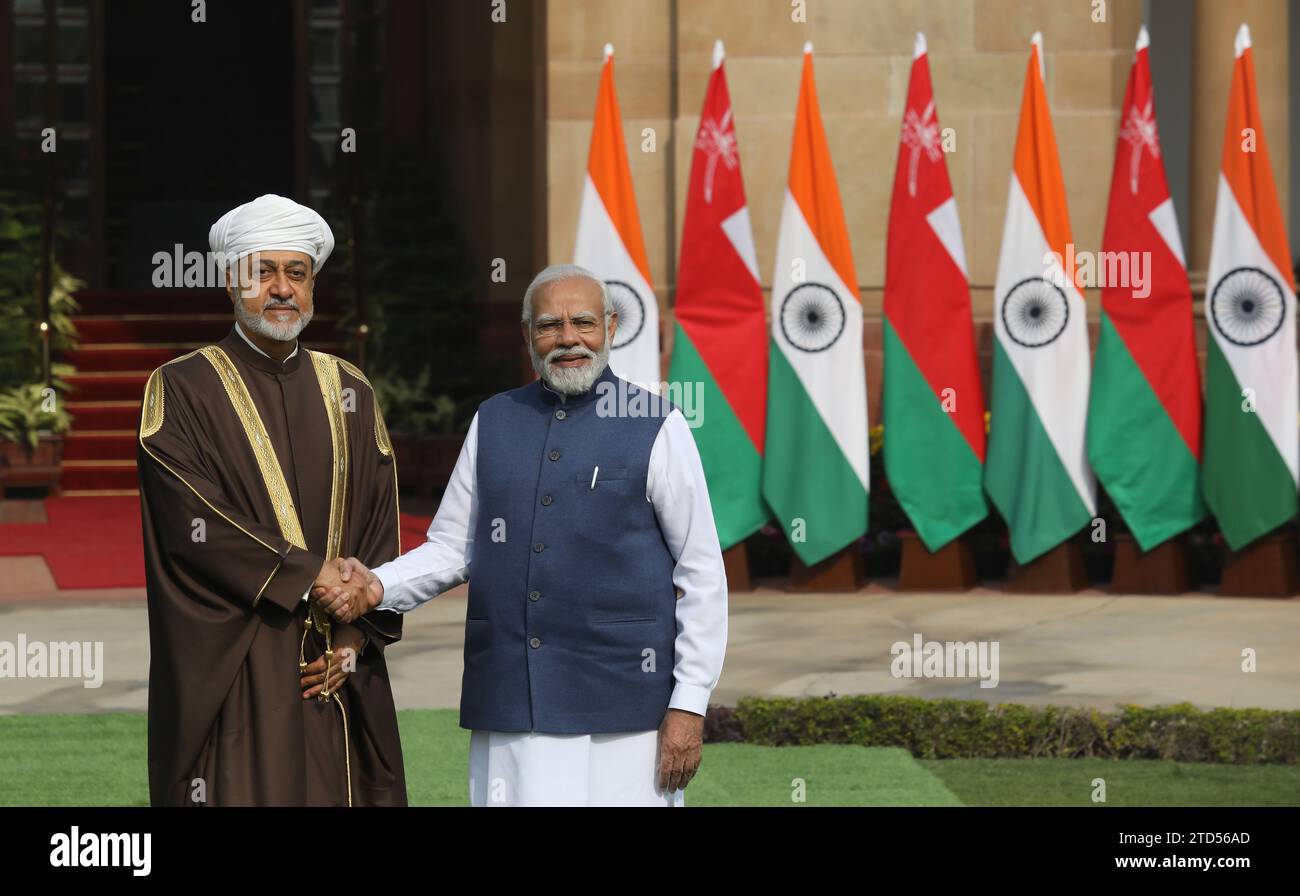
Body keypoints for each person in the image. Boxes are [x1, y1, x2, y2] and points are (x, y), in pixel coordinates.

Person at [318, 263, 729, 807]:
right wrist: (376, 588)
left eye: (582, 322)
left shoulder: (657, 423)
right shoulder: (494, 418)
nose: (567, 339)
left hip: (626, 708)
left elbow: (700, 572)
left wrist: (690, 702)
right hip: (512, 699)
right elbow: (454, 546)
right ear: (528, 336)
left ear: (609, 326)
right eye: (548, 326)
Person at [137, 194, 406, 806]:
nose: (281, 289)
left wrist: (354, 636)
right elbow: (190, 523)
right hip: (243, 660)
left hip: (341, 666)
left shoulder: (351, 390)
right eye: (262, 272)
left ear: (313, 287)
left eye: (297, 273)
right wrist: (310, 577)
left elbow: (376, 525)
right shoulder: (181, 387)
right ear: (231, 281)